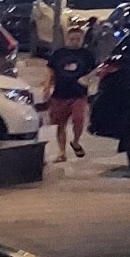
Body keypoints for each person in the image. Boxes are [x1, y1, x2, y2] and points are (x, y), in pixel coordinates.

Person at [44, 34, 95, 162]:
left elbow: (95, 70)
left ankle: (76, 141)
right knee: (60, 124)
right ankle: (62, 152)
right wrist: (46, 87)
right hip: (60, 94)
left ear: (82, 40)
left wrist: (89, 80)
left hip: (79, 94)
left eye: (78, 39)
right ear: (67, 39)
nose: (75, 42)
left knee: (79, 119)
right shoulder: (59, 54)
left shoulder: (87, 54)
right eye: (72, 39)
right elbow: (51, 72)